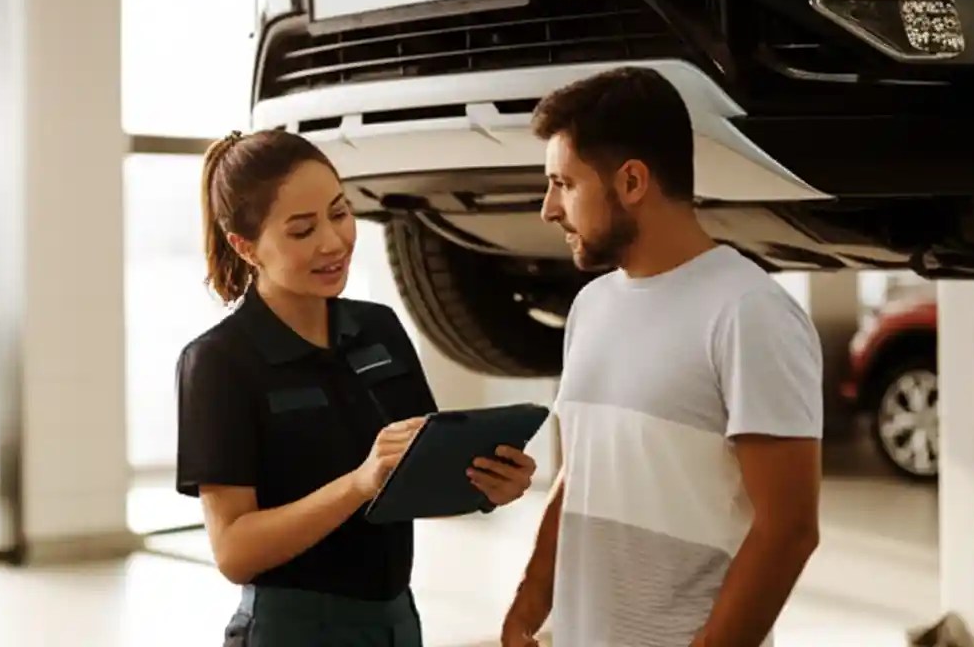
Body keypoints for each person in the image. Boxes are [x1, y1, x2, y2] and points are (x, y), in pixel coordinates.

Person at [175, 129, 539, 647]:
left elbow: (419, 475)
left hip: (396, 623)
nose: (333, 242)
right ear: (246, 247)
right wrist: (358, 484)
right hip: (291, 632)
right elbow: (235, 552)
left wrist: (487, 487)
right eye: (302, 230)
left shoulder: (378, 328)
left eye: (339, 213)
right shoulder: (218, 362)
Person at [501, 67, 824, 647]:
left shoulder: (749, 312)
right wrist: (529, 602)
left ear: (631, 182)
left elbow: (789, 530)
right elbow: (582, 472)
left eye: (564, 183)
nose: (548, 209)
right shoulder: (592, 306)